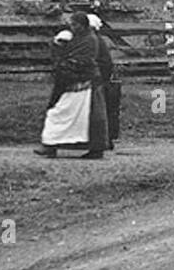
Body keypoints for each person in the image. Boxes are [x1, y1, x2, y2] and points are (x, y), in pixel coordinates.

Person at [37, 12, 109, 159]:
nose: (72, 27)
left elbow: (84, 60)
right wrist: (57, 45)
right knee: (57, 113)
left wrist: (67, 64)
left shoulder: (90, 40)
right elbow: (63, 54)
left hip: (85, 83)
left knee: (88, 118)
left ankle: (96, 149)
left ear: (83, 26)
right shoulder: (74, 38)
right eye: (71, 24)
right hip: (70, 82)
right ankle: (50, 145)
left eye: (75, 25)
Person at [89, 13, 120, 147]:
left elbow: (105, 64)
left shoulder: (96, 41)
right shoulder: (97, 40)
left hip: (100, 79)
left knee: (102, 110)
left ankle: (105, 140)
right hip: (101, 78)